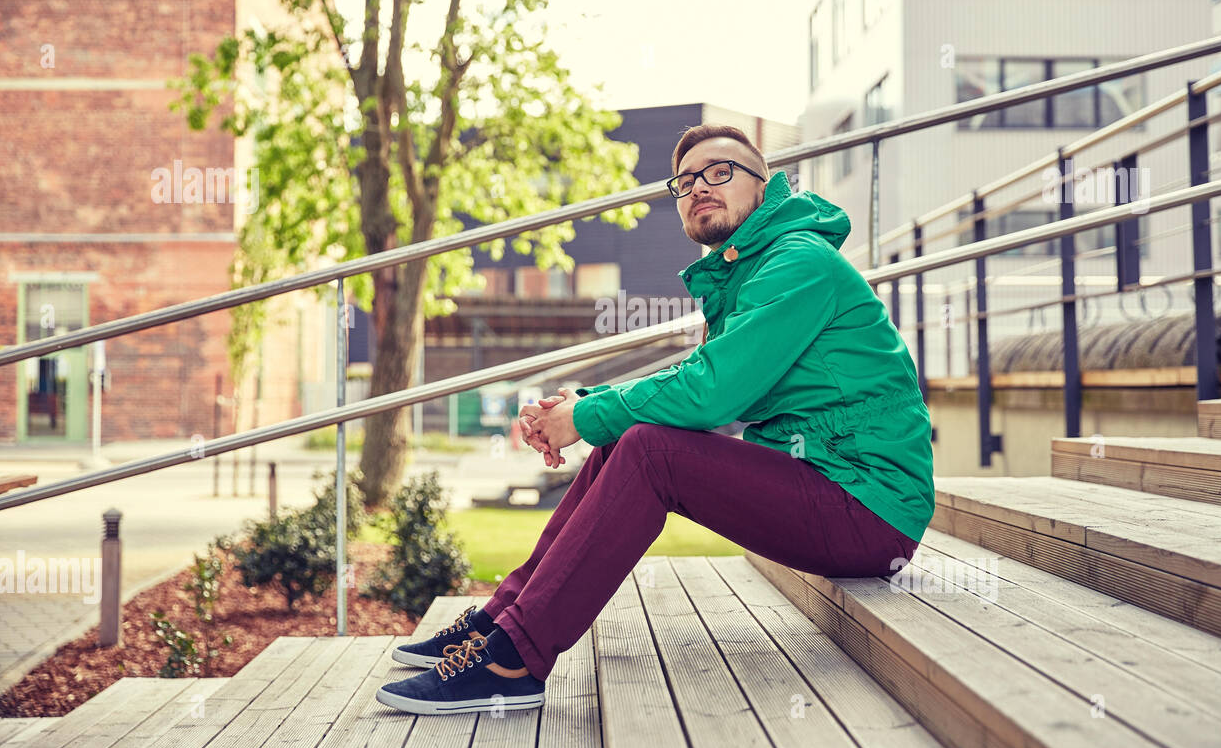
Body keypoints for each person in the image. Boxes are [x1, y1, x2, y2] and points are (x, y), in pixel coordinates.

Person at [375, 123, 934, 716]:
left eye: (721, 172)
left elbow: (710, 394)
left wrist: (584, 416)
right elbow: (702, 381)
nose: (700, 188)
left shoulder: (798, 264)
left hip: (867, 507)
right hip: (828, 484)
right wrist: (584, 405)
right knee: (634, 441)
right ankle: (498, 622)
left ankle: (516, 658)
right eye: (686, 181)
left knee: (647, 450)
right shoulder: (752, 272)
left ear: (764, 185)